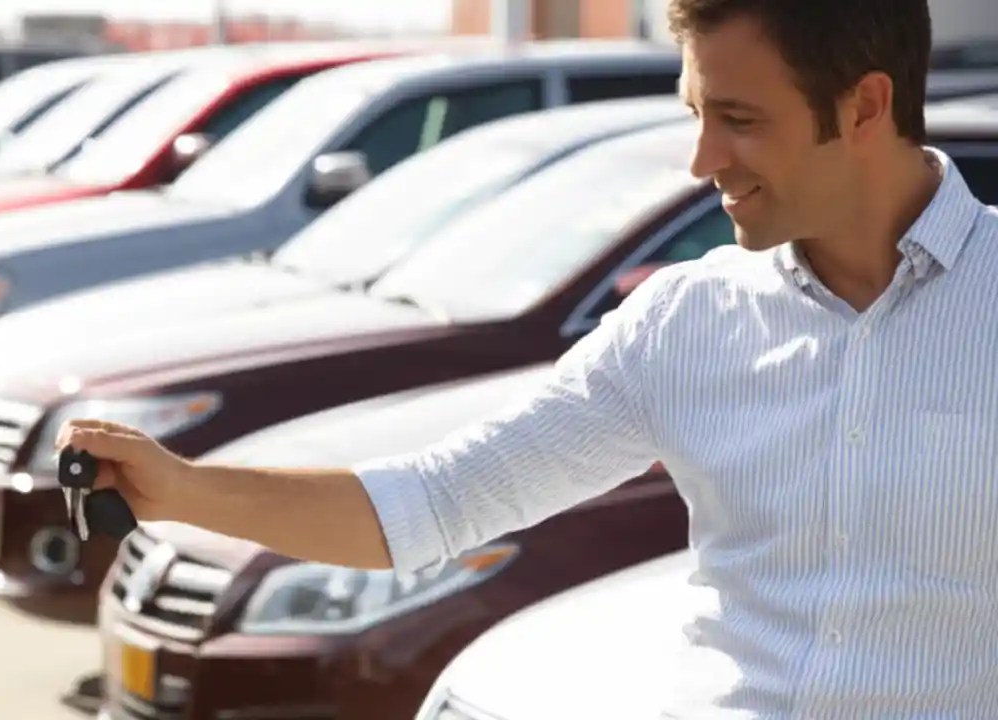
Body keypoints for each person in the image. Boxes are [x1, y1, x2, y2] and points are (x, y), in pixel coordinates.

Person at [58, 0, 998, 716]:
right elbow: (434, 502)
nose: (702, 158)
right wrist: (179, 489)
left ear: (868, 105)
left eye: (741, 119)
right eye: (696, 112)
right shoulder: (686, 323)